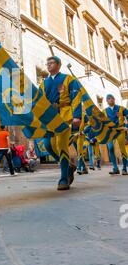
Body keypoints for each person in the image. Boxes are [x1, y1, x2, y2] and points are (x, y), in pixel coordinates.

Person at [40, 56, 81, 191]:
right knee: (47, 146)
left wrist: (77, 115)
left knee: (61, 145)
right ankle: (69, 166)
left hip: (65, 115)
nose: (48, 65)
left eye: (51, 63)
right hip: (50, 117)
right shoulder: (43, 83)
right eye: (47, 63)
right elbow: (39, 100)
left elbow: (76, 97)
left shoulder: (69, 79)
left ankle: (64, 178)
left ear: (58, 65)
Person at [104, 94, 128, 175]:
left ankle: (124, 168)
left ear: (114, 99)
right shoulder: (104, 111)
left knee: (122, 149)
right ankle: (115, 168)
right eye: (109, 98)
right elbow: (101, 122)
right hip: (110, 132)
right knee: (110, 149)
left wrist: (126, 126)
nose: (111, 99)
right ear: (107, 101)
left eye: (112, 98)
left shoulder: (121, 108)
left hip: (120, 130)